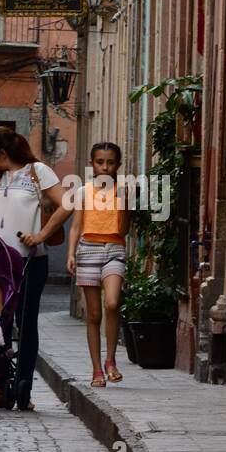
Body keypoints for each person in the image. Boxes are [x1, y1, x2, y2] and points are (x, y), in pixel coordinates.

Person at [0, 127, 68, 408]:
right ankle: (0, 386)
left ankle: (23, 390)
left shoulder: (38, 171)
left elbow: (66, 205)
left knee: (25, 325)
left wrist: (40, 235)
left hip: (29, 261)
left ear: (3, 153)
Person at [68, 142, 130, 388]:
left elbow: (124, 230)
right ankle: (97, 369)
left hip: (115, 248)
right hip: (88, 249)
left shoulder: (122, 191)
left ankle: (111, 360)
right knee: (94, 314)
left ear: (118, 165)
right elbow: (75, 226)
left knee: (113, 303)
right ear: (92, 164)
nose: (105, 167)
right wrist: (71, 253)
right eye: (100, 162)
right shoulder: (83, 191)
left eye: (111, 162)